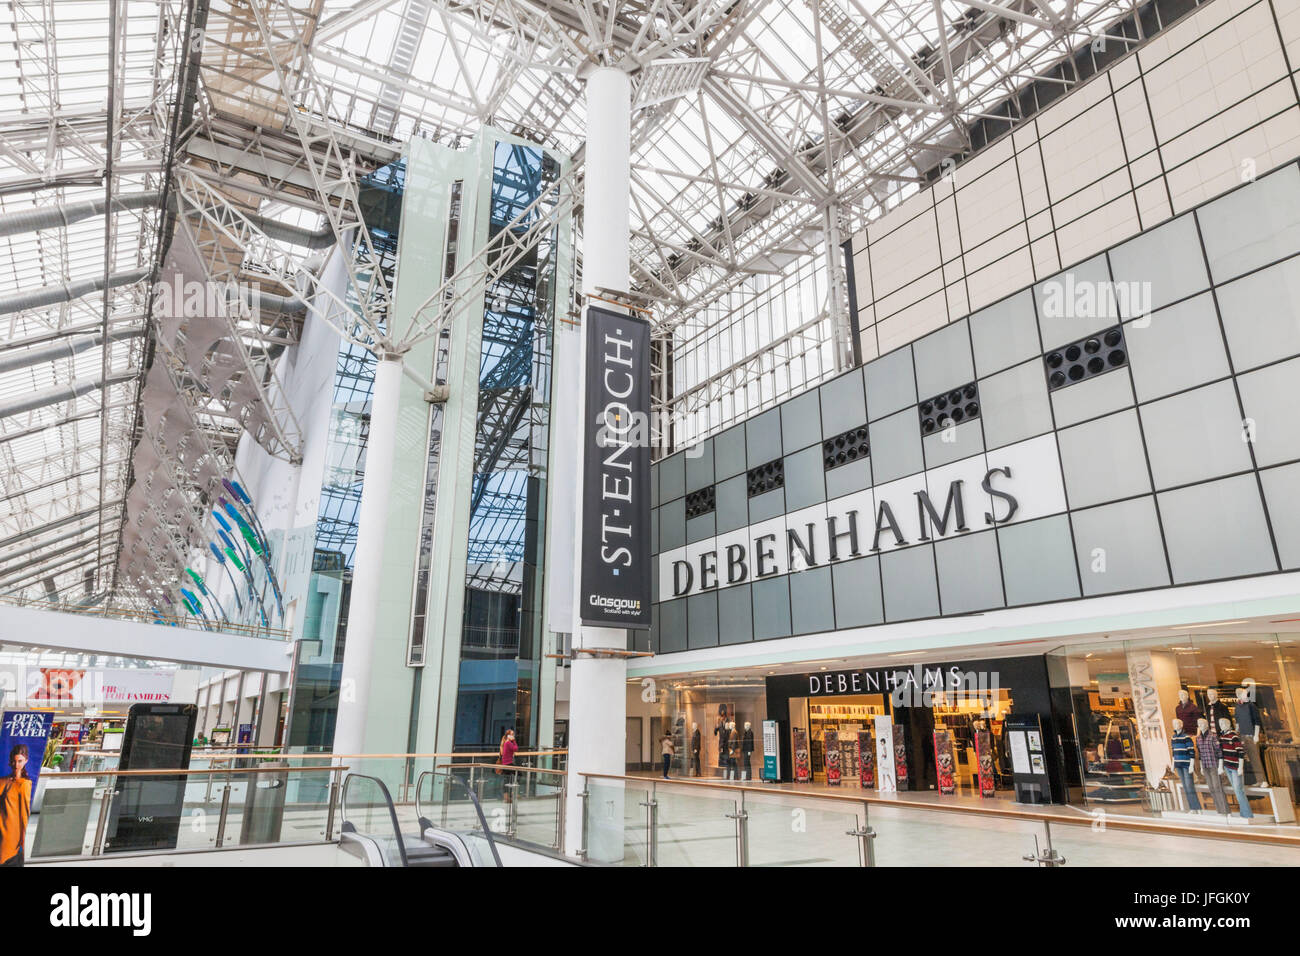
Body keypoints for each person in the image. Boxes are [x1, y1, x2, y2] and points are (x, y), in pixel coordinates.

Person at [0, 744, 33, 867]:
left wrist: (23, 840)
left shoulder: (24, 784)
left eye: (20, 761)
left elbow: (25, 814)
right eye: (14, 761)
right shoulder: (3, 781)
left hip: (11, 833)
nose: (16, 765)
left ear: (26, 761)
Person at [499, 729, 518, 803]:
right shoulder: (508, 743)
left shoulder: (506, 743)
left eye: (513, 734)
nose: (513, 736)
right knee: (517, 776)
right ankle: (511, 795)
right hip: (508, 763)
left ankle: (508, 797)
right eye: (512, 734)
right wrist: (514, 741)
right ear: (508, 736)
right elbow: (515, 749)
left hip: (506, 763)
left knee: (507, 780)